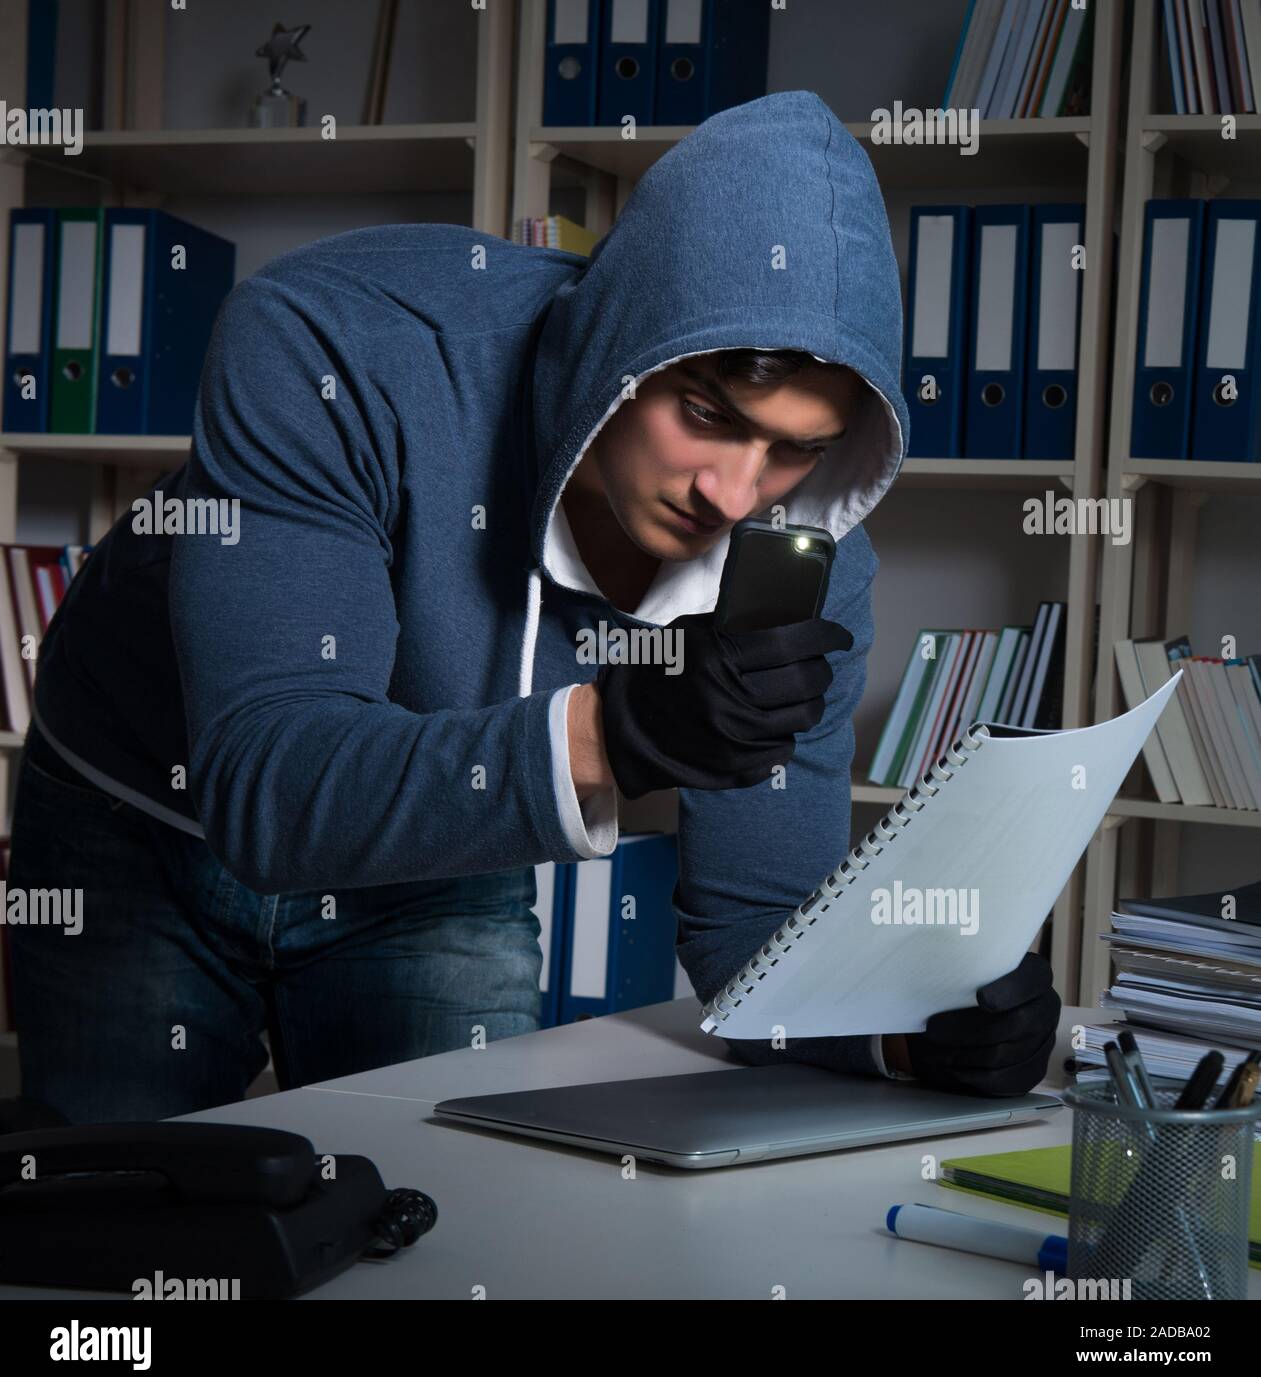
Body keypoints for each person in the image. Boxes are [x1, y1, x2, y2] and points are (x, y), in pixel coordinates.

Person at [9, 91, 1058, 1124]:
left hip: (437, 841)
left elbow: (756, 929)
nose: (734, 495)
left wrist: (904, 1031)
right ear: (616, 350)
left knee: (450, 1212)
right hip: (141, 811)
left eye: (795, 449)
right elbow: (268, 786)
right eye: (705, 415)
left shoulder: (807, 554)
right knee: (106, 1220)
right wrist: (617, 730)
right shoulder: (332, 346)